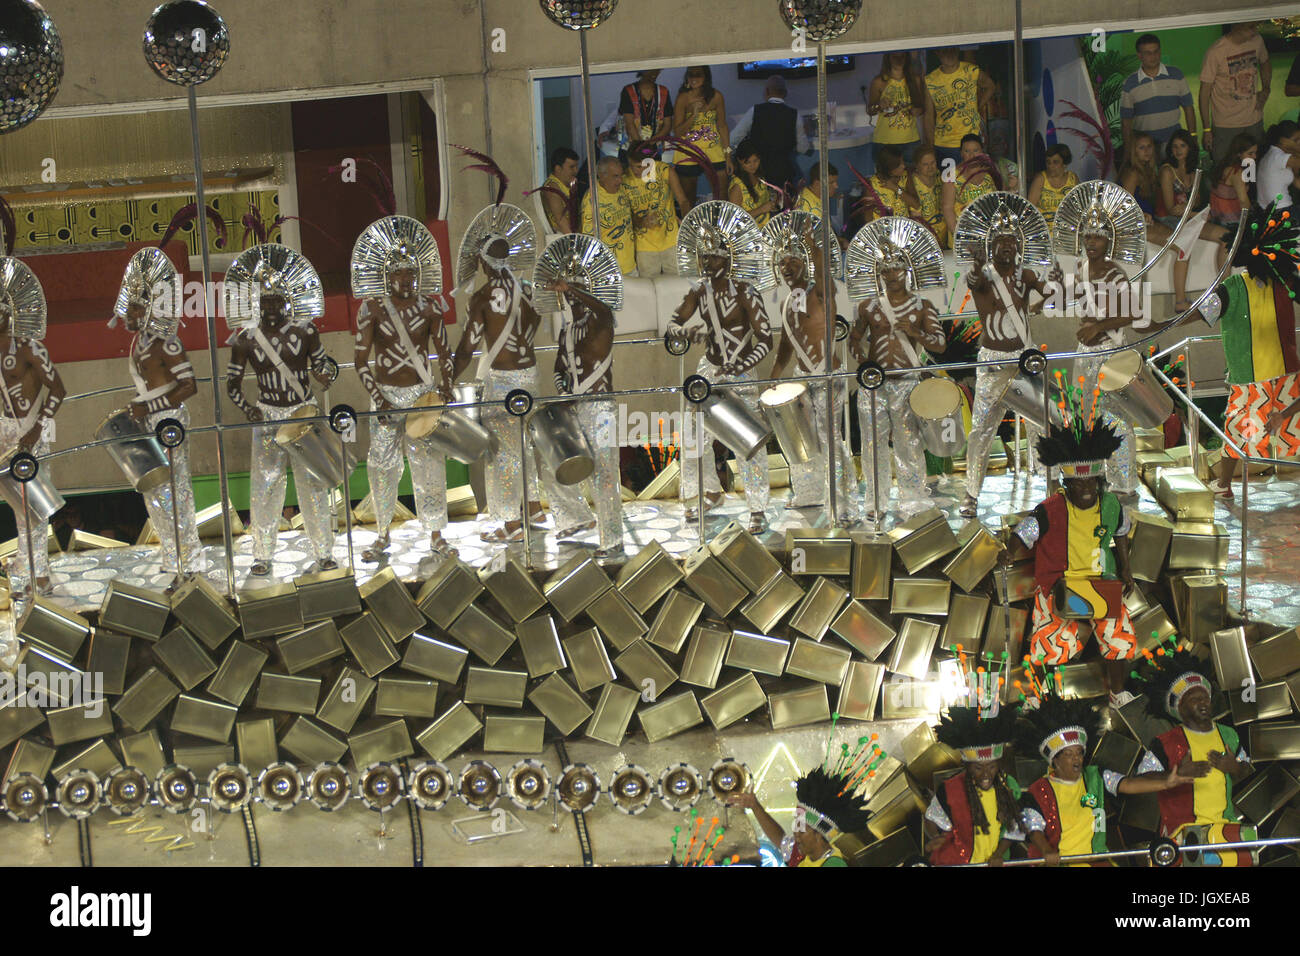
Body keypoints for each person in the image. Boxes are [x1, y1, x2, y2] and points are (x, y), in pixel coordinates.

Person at [1012, 419, 1139, 703]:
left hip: (1100, 583)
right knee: (1051, 642)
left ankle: (1117, 694)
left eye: (1092, 482)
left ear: (1099, 482)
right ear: (1066, 484)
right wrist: (1009, 550)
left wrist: (1126, 571)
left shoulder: (1110, 504)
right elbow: (1025, 532)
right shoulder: (1049, 509)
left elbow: (1121, 532)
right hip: (1057, 584)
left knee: (1118, 635)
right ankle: (1038, 697)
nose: (1086, 488)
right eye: (1078, 483)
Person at [452, 230, 568, 542]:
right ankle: (533, 507)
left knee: (501, 452)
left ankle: (510, 523)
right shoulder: (529, 290)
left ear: (483, 262)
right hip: (529, 375)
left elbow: (467, 347)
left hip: (502, 381)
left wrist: (448, 377)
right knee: (525, 444)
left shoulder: (481, 298)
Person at [228, 256, 340, 574]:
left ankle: (324, 551)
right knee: (265, 485)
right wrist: (248, 409)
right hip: (267, 414)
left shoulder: (306, 331)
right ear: (255, 303)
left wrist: (325, 374)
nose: (271, 306)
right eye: (265, 300)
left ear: (288, 299)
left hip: (303, 411)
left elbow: (323, 365)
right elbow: (232, 385)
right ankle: (262, 554)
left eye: (277, 299)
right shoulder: (245, 339)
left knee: (313, 482)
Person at [668, 216, 773, 533]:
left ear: (727, 259)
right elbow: (674, 324)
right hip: (708, 372)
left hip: (742, 375)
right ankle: (704, 494)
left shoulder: (745, 292)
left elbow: (766, 339)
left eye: (713, 256)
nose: (706, 262)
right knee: (693, 438)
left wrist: (742, 366)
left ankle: (757, 508)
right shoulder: (699, 292)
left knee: (750, 444)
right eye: (703, 256)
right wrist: (686, 333)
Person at [960, 200, 1062, 518]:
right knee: (981, 430)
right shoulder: (983, 277)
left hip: (1023, 359)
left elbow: (1050, 294)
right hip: (992, 361)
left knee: (1040, 424)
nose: (1007, 246)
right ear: (991, 248)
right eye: (1000, 241)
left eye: (1012, 241)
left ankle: (1051, 487)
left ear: (1019, 246)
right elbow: (974, 282)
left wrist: (1050, 291)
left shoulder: (1026, 275)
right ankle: (971, 495)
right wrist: (977, 263)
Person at [1192, 202, 1300, 499]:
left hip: (1253, 378)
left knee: (1237, 433)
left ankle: (1224, 485)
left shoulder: (1236, 286)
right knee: (1258, 431)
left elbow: (1201, 313)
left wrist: (1161, 323)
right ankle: (1225, 485)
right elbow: (1204, 311)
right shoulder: (1282, 280)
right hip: (1279, 373)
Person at [1018, 691, 1190, 866]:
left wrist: (1166, 782)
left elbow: (1128, 784)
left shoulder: (1095, 777)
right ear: (1055, 759)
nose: (1076, 758)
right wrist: (1047, 851)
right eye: (1069, 754)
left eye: (1079, 753)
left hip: (1096, 862)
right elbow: (1033, 827)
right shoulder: (1040, 790)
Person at [114, 256, 203, 587]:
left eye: (135, 309)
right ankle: (172, 555)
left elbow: (189, 386)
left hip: (169, 421)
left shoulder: (168, 341)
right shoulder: (139, 343)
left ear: (149, 310)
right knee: (154, 491)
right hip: (151, 419)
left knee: (177, 490)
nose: (128, 314)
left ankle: (190, 560)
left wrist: (151, 405)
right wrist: (141, 407)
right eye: (129, 308)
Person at [1128, 645, 1258, 866]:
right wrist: (1173, 775)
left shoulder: (1229, 735)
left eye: (1204, 696)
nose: (1203, 702)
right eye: (1194, 699)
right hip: (1182, 834)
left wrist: (1234, 767)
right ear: (1179, 707)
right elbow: (1141, 780)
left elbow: (1246, 769)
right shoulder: (1164, 743)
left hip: (1227, 830)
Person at [848, 237, 946, 521]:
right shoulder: (868, 307)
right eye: (885, 269)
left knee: (909, 443)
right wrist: (863, 361)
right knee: (871, 444)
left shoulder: (922, 306)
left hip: (907, 383)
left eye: (896, 268)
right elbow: (854, 339)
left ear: (908, 271)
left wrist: (916, 334)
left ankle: (913, 498)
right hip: (874, 385)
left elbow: (939, 344)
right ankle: (875, 501)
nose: (891, 275)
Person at [769, 218, 855, 523]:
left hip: (828, 376)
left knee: (830, 440)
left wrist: (814, 247)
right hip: (802, 378)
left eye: (793, 259)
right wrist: (776, 374)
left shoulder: (820, 292)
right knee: (801, 438)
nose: (787, 266)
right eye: (782, 261)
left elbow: (825, 276)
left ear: (805, 263)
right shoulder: (786, 303)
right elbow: (786, 342)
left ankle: (844, 503)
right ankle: (808, 493)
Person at [1063, 193, 1144, 503]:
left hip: (1110, 352)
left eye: (1098, 236)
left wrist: (1098, 325)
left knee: (1115, 419)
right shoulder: (1082, 267)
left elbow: (1134, 311)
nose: (1092, 241)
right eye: (1088, 236)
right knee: (1085, 417)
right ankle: (1094, 478)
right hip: (1084, 354)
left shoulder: (1114, 273)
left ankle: (1124, 483)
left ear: (1108, 242)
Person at [545, 260, 624, 559]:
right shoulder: (567, 332)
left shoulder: (600, 321)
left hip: (601, 408)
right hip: (575, 408)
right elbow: (557, 368)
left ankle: (612, 539)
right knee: (552, 462)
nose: (568, 299)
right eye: (566, 294)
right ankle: (573, 518)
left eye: (574, 293)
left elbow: (604, 310)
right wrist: (564, 393)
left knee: (605, 475)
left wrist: (574, 289)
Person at [0, 260, 63, 597]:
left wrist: (38, 429)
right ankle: (30, 569)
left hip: (32, 432)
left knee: (33, 508)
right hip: (7, 433)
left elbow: (58, 390)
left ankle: (40, 576)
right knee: (18, 508)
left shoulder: (30, 348)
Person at [926, 706, 1025, 866]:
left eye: (991, 767)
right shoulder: (951, 789)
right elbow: (931, 819)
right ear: (968, 767)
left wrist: (998, 854)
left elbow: (1014, 828)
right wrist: (936, 837)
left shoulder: (1008, 786)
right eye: (978, 768)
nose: (986, 774)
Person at [726, 759, 871, 867]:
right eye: (796, 828)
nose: (796, 835)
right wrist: (754, 805)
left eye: (801, 831)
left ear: (819, 835)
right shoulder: (803, 854)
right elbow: (781, 840)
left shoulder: (833, 864)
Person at [1158, 131, 1230, 312]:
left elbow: (1194, 201)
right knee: (1185, 247)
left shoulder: (1193, 170)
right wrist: (1192, 211)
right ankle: (1180, 301)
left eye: (1182, 145)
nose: (1178, 150)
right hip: (1170, 220)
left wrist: (1193, 209)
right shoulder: (1167, 170)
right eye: (1175, 146)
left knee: (1226, 237)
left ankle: (1223, 290)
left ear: (1190, 148)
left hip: (1189, 218)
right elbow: (1170, 208)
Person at [1200, 22, 1271, 166]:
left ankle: (1247, 188)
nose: (1254, 31)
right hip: (1226, 124)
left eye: (1256, 26)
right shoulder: (1217, 51)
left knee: (1250, 170)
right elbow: (1204, 93)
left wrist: (1266, 89)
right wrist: (1207, 129)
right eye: (1250, 27)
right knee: (1225, 169)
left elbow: (1265, 62)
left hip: (1253, 120)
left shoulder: (1257, 41)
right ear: (1237, 26)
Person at [1120, 33, 1198, 162]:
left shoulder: (1176, 75)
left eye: (1156, 51)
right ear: (1140, 55)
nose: (1153, 56)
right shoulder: (1130, 83)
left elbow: (1188, 108)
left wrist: (1193, 136)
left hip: (1174, 143)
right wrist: (1128, 151)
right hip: (1145, 147)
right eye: (1148, 53)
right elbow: (1126, 122)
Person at [729, 74, 809, 192]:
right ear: (785, 93)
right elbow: (803, 148)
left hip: (758, 174)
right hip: (784, 175)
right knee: (785, 208)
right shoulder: (794, 114)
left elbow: (733, 139)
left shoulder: (755, 111)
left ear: (766, 91)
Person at [924, 47, 994, 168]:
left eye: (951, 50)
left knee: (972, 179)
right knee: (950, 183)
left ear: (957, 50)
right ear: (937, 52)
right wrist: (931, 147)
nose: (949, 54)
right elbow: (928, 115)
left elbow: (990, 86)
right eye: (944, 51)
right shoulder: (930, 80)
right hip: (944, 143)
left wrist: (977, 106)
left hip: (971, 139)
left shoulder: (971, 70)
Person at [673, 65, 730, 205]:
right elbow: (677, 132)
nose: (694, 78)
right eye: (690, 74)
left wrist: (728, 155)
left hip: (713, 150)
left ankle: (719, 225)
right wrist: (694, 115)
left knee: (721, 194)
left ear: (706, 76)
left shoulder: (716, 96)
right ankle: (691, 226)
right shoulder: (683, 98)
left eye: (698, 74)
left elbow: (722, 126)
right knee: (689, 197)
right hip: (688, 150)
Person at [625, 152, 688, 276]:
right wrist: (641, 221)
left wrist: (686, 222)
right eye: (633, 166)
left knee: (677, 285)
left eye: (641, 166)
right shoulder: (625, 180)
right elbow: (627, 216)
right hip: (645, 246)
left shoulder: (664, 170)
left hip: (671, 240)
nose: (637, 170)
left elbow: (683, 200)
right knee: (649, 288)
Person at [581, 156, 637, 276]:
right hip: (609, 270)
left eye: (621, 175)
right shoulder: (592, 199)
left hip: (630, 265)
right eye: (615, 176)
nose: (620, 181)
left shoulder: (621, 190)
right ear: (602, 176)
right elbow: (588, 238)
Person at [868, 52, 925, 168]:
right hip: (885, 141)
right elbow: (870, 109)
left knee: (910, 178)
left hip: (910, 139)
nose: (899, 60)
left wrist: (917, 110)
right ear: (888, 58)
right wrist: (880, 105)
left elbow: (922, 107)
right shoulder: (879, 82)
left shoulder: (916, 80)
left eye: (902, 57)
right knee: (885, 180)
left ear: (906, 59)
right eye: (895, 57)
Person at [943, 133, 1000, 240]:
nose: (972, 155)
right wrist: (958, 236)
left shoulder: (990, 171)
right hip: (964, 234)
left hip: (990, 233)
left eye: (975, 151)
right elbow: (947, 208)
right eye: (967, 151)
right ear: (961, 153)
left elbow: (999, 198)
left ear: (982, 152)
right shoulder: (952, 176)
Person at [619, 69, 673, 158]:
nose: (654, 73)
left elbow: (667, 125)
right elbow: (629, 123)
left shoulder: (663, 91)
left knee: (653, 171)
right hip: (631, 147)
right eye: (650, 70)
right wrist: (640, 147)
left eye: (657, 70)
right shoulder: (628, 91)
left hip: (654, 147)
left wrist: (650, 144)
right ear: (642, 70)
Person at [1208, 134, 1257, 230]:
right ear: (1239, 153)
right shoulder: (1236, 172)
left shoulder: (1225, 165)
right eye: (1250, 153)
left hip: (1217, 217)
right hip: (1231, 222)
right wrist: (1251, 220)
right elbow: (1243, 202)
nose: (1255, 156)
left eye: (1255, 153)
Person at [728, 141, 778, 228]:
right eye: (748, 162)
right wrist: (761, 210)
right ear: (740, 161)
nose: (753, 165)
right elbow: (735, 219)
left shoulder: (759, 177)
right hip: (748, 233)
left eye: (756, 161)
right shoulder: (737, 187)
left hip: (765, 225)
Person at [1026, 144, 1078, 229]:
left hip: (1067, 230)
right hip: (1044, 231)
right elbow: (1030, 209)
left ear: (1065, 163)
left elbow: (1078, 207)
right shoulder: (1040, 179)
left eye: (1055, 162)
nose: (1051, 166)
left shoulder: (1073, 178)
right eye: (1048, 162)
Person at [908, 145, 948, 246]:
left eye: (933, 163)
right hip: (924, 234)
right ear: (917, 165)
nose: (930, 167)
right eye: (925, 164)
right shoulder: (911, 182)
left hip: (944, 231)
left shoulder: (940, 176)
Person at [1257, 120, 1300, 211]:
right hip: (1281, 210)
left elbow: (1297, 183)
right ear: (1284, 141)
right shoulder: (1279, 157)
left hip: (1270, 210)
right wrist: (1296, 148)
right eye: (1296, 140)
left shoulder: (1274, 153)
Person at [541, 147, 580, 234]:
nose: (576, 171)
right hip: (562, 238)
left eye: (577, 166)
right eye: (572, 167)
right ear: (558, 168)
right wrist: (574, 242)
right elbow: (560, 220)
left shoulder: (569, 185)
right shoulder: (552, 188)